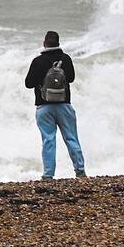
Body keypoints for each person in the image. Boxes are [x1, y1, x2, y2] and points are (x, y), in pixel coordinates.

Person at [24, 31, 86, 179]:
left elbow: (28, 84)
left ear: (44, 43)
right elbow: (70, 78)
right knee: (71, 138)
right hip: (64, 105)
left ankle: (48, 175)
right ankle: (80, 171)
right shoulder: (65, 58)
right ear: (58, 43)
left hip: (44, 107)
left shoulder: (38, 61)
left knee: (49, 140)